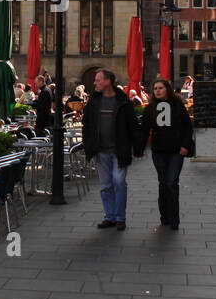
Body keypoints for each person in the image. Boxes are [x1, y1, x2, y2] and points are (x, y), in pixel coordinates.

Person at [82, 69, 140, 231]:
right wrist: (88, 145)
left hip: (119, 149)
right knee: (106, 185)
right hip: (101, 149)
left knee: (119, 181)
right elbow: (87, 123)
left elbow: (132, 125)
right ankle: (110, 216)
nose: (95, 83)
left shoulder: (123, 101)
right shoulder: (94, 101)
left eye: (98, 80)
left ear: (108, 81)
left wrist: (138, 147)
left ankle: (120, 217)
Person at [136, 78, 195, 229]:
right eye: (155, 88)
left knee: (171, 183)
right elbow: (144, 130)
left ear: (167, 89)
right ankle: (165, 216)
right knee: (163, 184)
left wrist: (185, 146)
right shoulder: (150, 108)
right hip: (159, 151)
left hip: (176, 150)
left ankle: (174, 219)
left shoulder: (177, 105)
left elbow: (188, 127)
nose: (157, 91)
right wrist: (139, 149)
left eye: (160, 88)